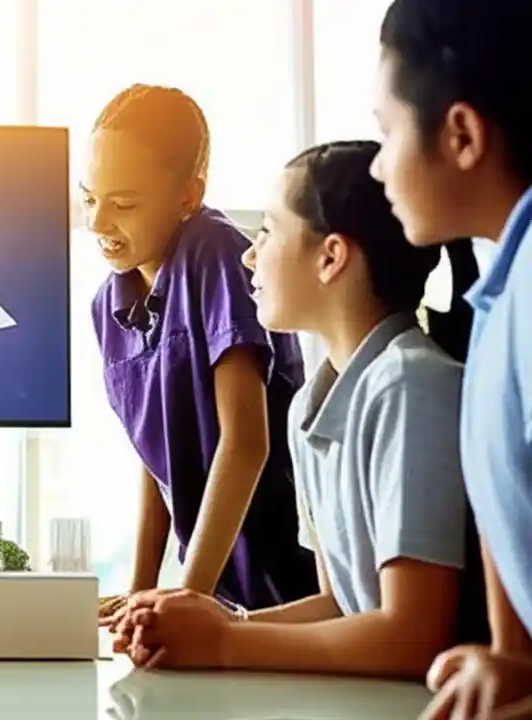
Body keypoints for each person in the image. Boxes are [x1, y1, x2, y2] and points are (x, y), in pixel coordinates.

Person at [110, 140, 489, 680]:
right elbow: (341, 604)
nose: (249, 255)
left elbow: (411, 634)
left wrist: (222, 643)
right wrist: (212, 624)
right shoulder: (310, 407)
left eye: (267, 231)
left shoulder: (411, 385)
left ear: (331, 256)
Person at [86, 84, 318, 627]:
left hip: (287, 590)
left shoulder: (215, 255)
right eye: (88, 198)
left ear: (188, 197)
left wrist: (189, 599)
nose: (97, 223)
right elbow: (154, 459)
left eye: (122, 204)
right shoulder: (108, 305)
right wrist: (139, 596)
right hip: (219, 594)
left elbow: (246, 441)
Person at [370, 0, 532, 716]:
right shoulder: (499, 290)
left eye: (387, 133)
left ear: (460, 134)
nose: (378, 167)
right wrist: (512, 663)